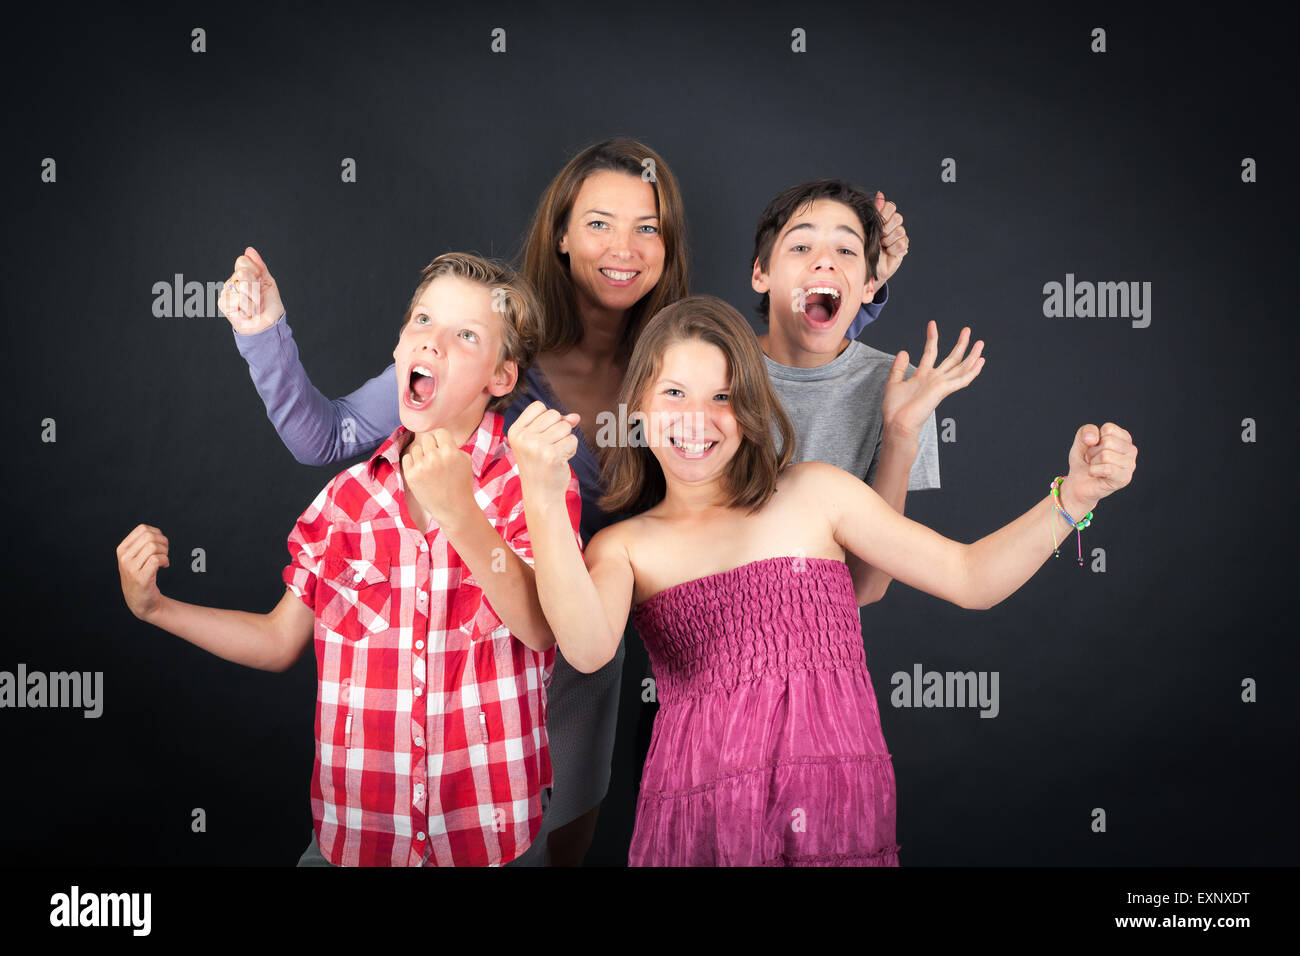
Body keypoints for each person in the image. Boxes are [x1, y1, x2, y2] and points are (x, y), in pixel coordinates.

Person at [218, 142, 910, 863]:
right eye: (600, 224)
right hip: (477, 639)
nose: (625, 248)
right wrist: (262, 331)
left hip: (591, 642)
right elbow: (325, 433)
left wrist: (860, 297)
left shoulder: (675, 362)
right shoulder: (493, 343)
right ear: (560, 233)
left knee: (561, 840)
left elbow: (769, 388)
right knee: (418, 826)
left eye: (648, 228)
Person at [509, 295, 1137, 866]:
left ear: (750, 407)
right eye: (674, 394)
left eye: (723, 397)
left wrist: (1074, 497)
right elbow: (587, 648)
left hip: (838, 800)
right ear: (640, 405)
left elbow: (969, 577)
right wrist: (540, 494)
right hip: (700, 814)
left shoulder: (815, 493)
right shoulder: (625, 545)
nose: (697, 419)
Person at [116, 253, 582, 866]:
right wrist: (155, 608)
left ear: (502, 377)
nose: (433, 343)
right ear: (398, 349)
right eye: (422, 321)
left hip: (491, 841)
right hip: (356, 842)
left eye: (466, 335)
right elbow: (280, 639)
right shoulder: (347, 500)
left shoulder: (534, 481)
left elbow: (543, 628)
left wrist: (460, 513)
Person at [752, 178, 983, 605]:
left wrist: (900, 435)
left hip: (823, 651)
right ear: (761, 273)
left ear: (870, 286)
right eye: (801, 247)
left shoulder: (900, 390)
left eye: (845, 250)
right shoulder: (712, 374)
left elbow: (865, 588)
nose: (824, 262)